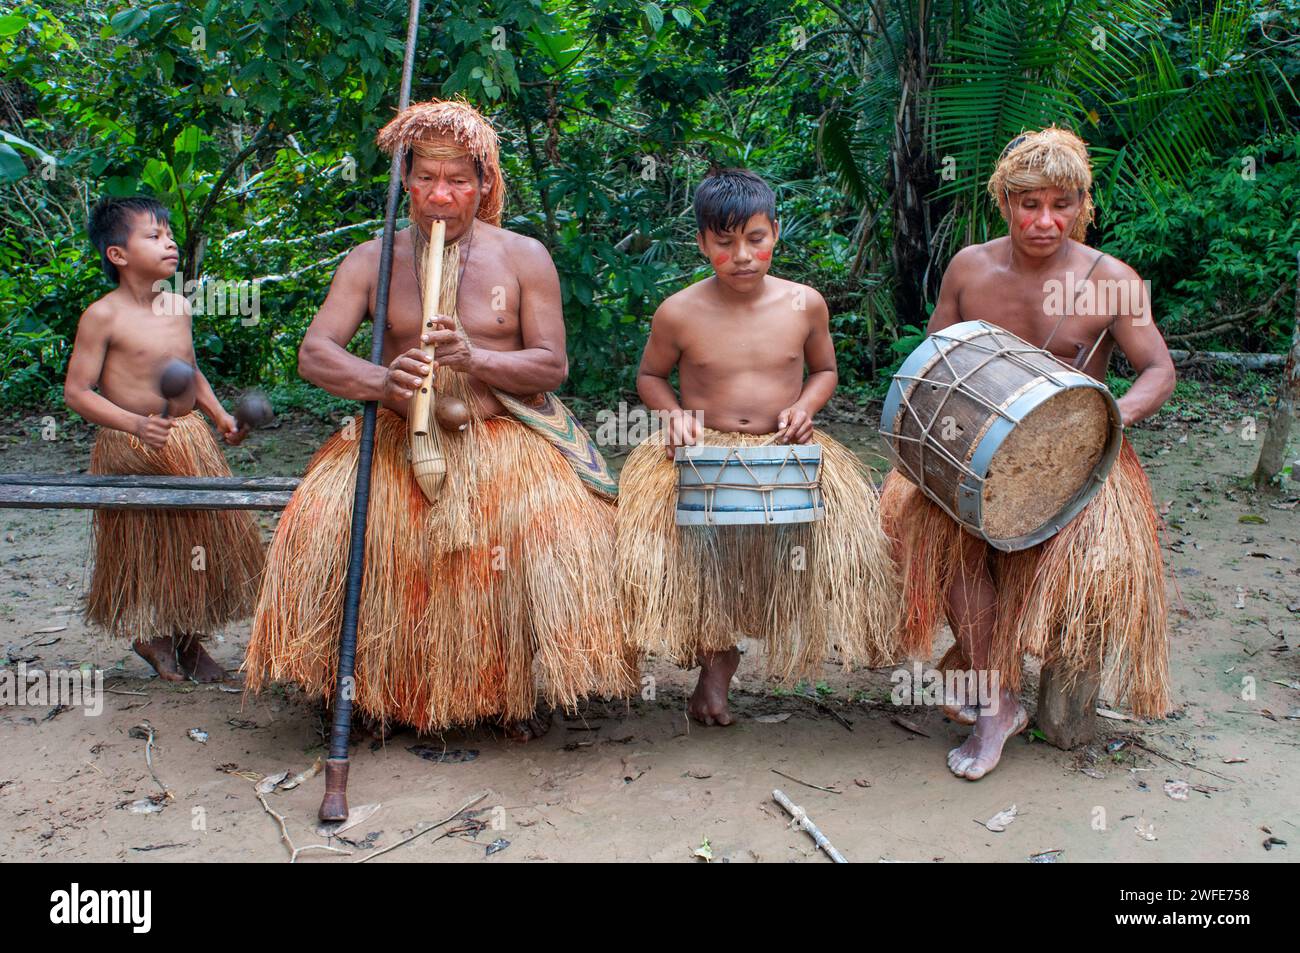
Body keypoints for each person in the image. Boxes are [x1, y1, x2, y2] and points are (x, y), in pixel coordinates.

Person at [244, 98, 630, 739]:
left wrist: (475, 358)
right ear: (406, 182)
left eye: (457, 181)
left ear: (484, 185)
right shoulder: (373, 260)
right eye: (425, 178)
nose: (439, 195)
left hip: (502, 430)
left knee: (546, 529)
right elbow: (315, 354)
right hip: (398, 433)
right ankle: (370, 692)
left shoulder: (523, 257)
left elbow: (551, 367)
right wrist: (383, 383)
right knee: (330, 522)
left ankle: (510, 692)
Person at [879, 127, 1175, 780]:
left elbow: (1158, 369)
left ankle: (1031, 693)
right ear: (1003, 201)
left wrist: (1106, 421)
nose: (1045, 220)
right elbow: (933, 365)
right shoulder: (970, 268)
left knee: (1096, 556)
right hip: (973, 455)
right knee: (932, 530)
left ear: (1083, 205)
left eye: (1061, 203)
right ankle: (996, 700)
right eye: (1028, 203)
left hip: (1080, 464)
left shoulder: (1111, 280)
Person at [617, 168, 898, 726]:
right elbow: (650, 377)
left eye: (755, 238)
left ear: (776, 234)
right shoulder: (679, 311)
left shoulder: (805, 304)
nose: (742, 255)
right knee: (705, 563)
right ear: (702, 243)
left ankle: (751, 658)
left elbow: (825, 370)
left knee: (773, 561)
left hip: (783, 448)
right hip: (704, 450)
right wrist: (674, 417)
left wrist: (806, 407)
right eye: (724, 243)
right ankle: (713, 670)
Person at [65, 196, 264, 682]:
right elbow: (76, 392)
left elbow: (190, 372)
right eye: (153, 236)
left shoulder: (177, 305)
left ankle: (186, 640)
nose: (169, 242)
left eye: (169, 234)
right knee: (152, 539)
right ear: (118, 255)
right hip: (133, 444)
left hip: (187, 438)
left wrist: (220, 417)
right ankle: (156, 636)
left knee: (199, 538)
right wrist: (134, 425)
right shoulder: (102, 316)